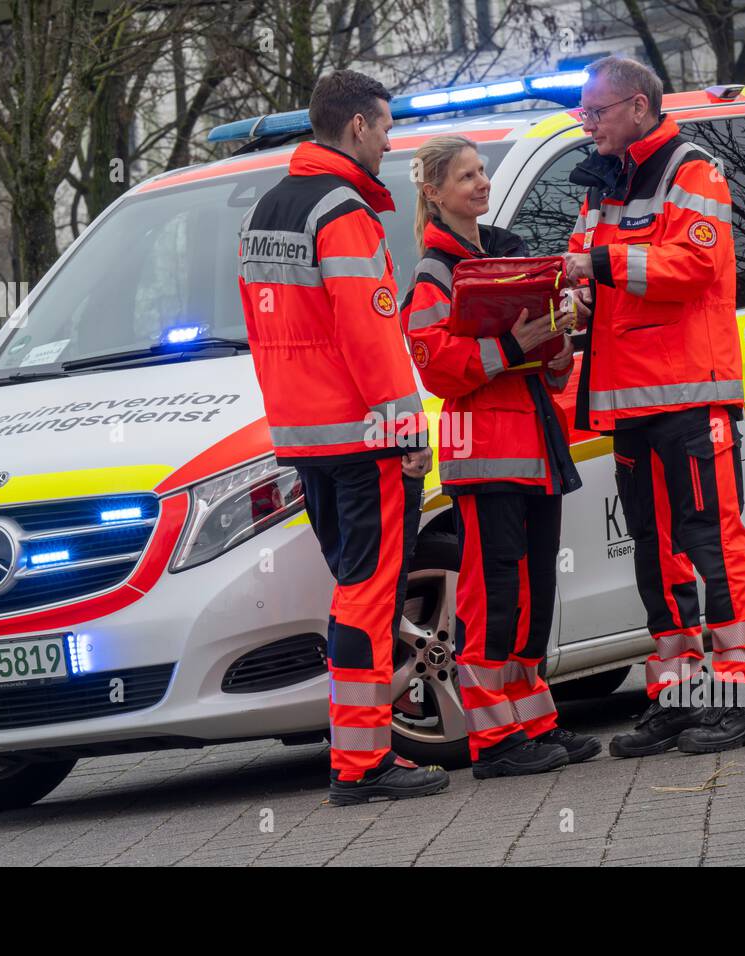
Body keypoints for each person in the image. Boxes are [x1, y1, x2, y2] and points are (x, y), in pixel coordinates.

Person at [237, 70, 450, 805]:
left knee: (353, 589)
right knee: (367, 594)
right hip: (365, 439)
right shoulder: (345, 213)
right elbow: (372, 339)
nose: (391, 142)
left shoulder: (267, 209)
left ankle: (354, 756)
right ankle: (362, 765)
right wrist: (408, 432)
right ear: (356, 126)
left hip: (305, 438)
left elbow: (270, 334)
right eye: (387, 127)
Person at [561, 56, 745, 755]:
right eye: (585, 112)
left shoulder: (693, 171)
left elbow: (692, 266)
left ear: (639, 106)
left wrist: (601, 265)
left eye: (597, 110)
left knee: (712, 543)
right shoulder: (606, 182)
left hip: (690, 394)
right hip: (631, 401)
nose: (587, 123)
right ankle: (681, 697)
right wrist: (570, 292)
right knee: (657, 556)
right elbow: (578, 261)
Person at [402, 135, 601, 779]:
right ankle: (494, 741)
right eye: (467, 176)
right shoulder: (436, 272)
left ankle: (532, 719)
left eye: (483, 172)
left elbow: (544, 358)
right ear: (435, 193)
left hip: (533, 447)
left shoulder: (503, 254)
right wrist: (515, 349)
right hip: (485, 455)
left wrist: (556, 343)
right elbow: (438, 368)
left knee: (533, 594)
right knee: (494, 600)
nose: (482, 183)